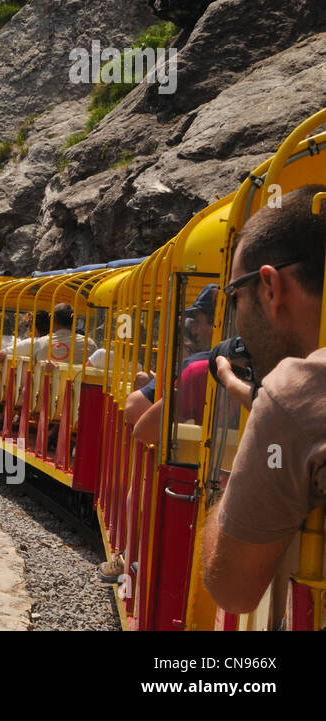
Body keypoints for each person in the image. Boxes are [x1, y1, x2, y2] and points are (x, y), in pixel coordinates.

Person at [202, 184, 326, 616]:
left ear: (271, 286)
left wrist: (259, 429)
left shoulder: (299, 389)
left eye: (236, 295)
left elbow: (231, 588)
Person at [129, 284, 217, 444]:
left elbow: (134, 410)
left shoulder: (197, 368)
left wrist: (161, 386)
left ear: (216, 322)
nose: (195, 331)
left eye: (198, 323)